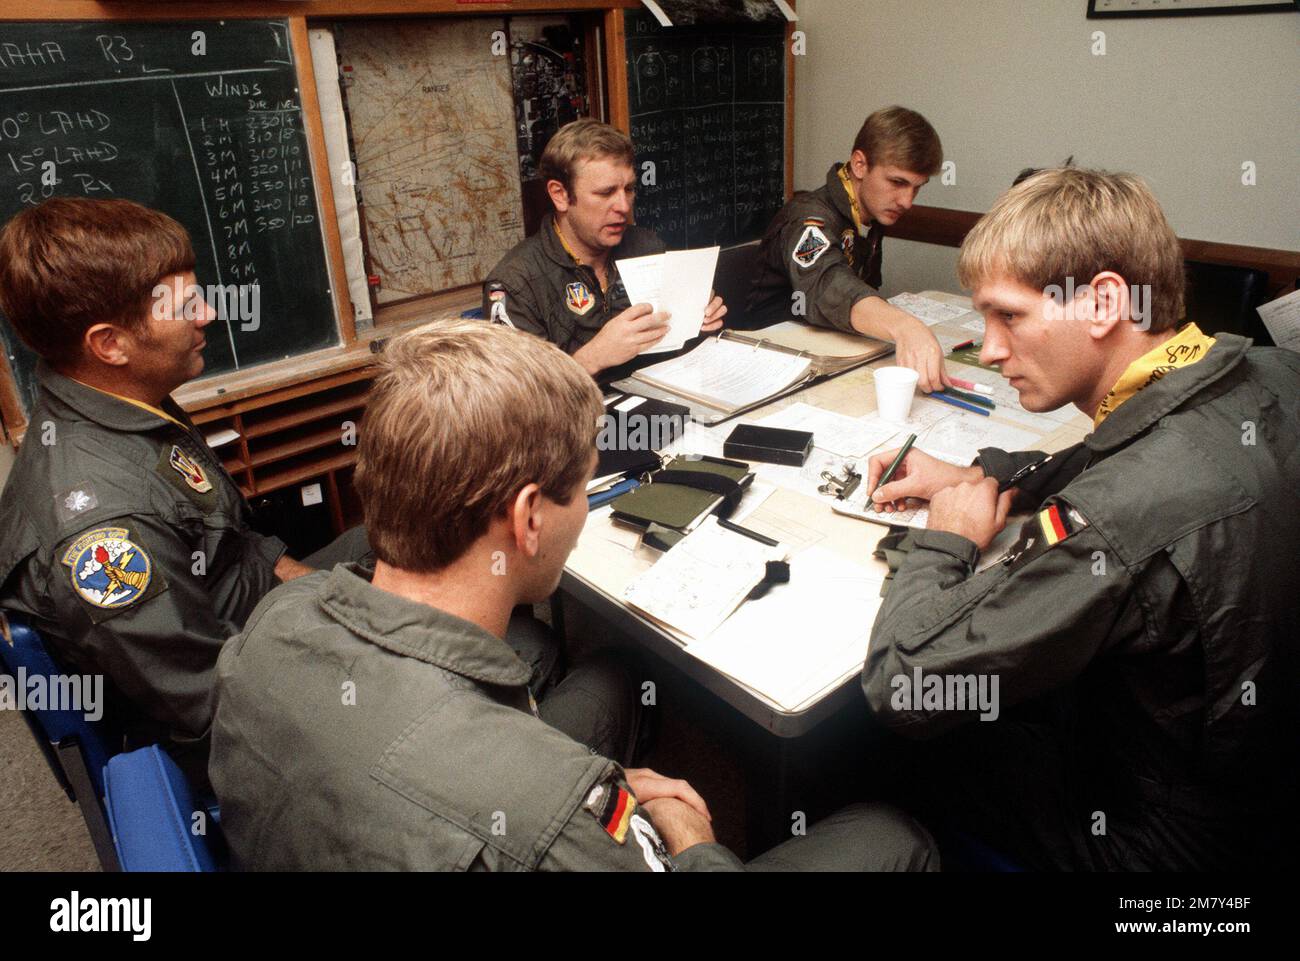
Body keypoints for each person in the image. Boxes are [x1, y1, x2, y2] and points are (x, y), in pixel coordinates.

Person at [210, 320, 938, 871]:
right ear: (529, 519)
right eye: (581, 487)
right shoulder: (555, 825)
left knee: (615, 679)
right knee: (893, 837)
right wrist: (691, 843)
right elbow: (533, 811)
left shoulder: (278, 619)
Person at [859, 167, 1299, 870]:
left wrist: (943, 539)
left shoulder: (1123, 512)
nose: (993, 350)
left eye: (1009, 316)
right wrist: (978, 476)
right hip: (1255, 779)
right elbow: (1121, 450)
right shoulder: (1268, 373)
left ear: (1101, 303)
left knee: (870, 739)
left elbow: (903, 681)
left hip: (1165, 843)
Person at [0, 197, 372, 781]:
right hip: (230, 719)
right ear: (110, 344)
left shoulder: (128, 404)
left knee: (398, 542)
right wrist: (374, 658)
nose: (207, 312)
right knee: (509, 649)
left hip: (249, 620)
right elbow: (211, 703)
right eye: (184, 304)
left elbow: (233, 543)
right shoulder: (104, 534)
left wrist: (331, 592)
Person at [482, 118, 726, 381]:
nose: (623, 205)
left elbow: (682, 350)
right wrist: (592, 357)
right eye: (605, 192)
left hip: (659, 406)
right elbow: (518, 399)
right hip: (582, 418)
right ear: (560, 195)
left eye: (629, 189)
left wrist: (698, 319)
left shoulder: (647, 246)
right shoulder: (515, 282)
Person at [748, 106, 951, 393]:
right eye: (897, 182)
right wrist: (904, 326)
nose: (907, 201)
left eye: (917, 188)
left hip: (828, 355)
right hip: (768, 363)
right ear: (859, 165)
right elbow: (827, 285)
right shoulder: (810, 218)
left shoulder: (868, 211)